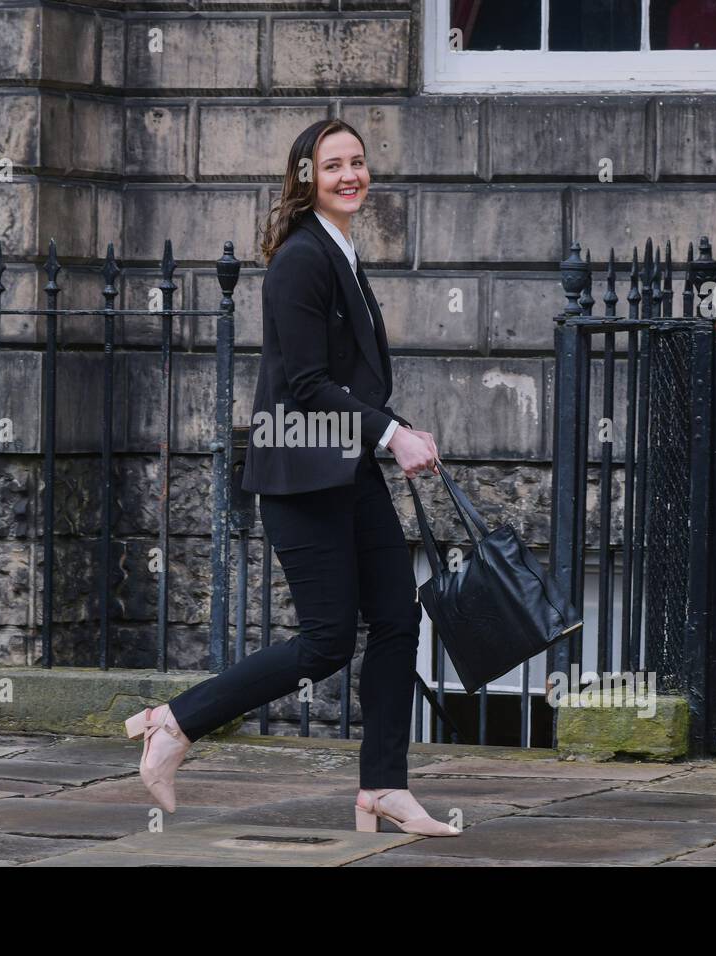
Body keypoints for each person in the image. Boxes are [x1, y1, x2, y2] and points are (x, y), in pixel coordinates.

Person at [124, 118, 458, 837]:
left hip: (344, 469)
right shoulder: (301, 259)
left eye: (358, 162)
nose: (350, 175)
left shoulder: (339, 251)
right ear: (305, 177)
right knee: (327, 642)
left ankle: (384, 788)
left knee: (399, 619)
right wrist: (393, 432)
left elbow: (344, 380)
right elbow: (306, 384)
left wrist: (399, 430)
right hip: (301, 479)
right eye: (332, 164)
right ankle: (176, 723)